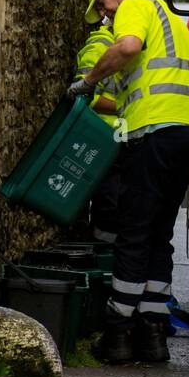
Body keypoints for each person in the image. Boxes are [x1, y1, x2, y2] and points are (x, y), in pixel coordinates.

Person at [67, 0, 189, 364]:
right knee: (158, 232)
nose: (106, 17)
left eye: (103, 6)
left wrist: (89, 81)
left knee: (133, 231)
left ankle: (117, 336)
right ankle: (152, 335)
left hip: (154, 130)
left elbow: (128, 47)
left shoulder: (134, 3)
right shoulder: (167, 14)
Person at [75, 16, 122, 242]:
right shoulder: (99, 47)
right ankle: (105, 245)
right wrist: (127, 107)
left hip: (120, 134)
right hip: (104, 136)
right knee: (109, 196)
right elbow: (87, 96)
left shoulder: (122, 48)